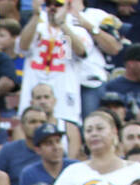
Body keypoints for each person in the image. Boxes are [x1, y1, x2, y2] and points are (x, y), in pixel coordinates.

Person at [16, 0, 90, 132]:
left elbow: (81, 52)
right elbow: (22, 47)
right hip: (32, 105)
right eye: (49, 4)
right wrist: (35, 16)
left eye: (57, 5)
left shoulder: (75, 29)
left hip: (64, 106)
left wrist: (62, 25)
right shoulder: (37, 26)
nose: (52, 8)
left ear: (68, 6)